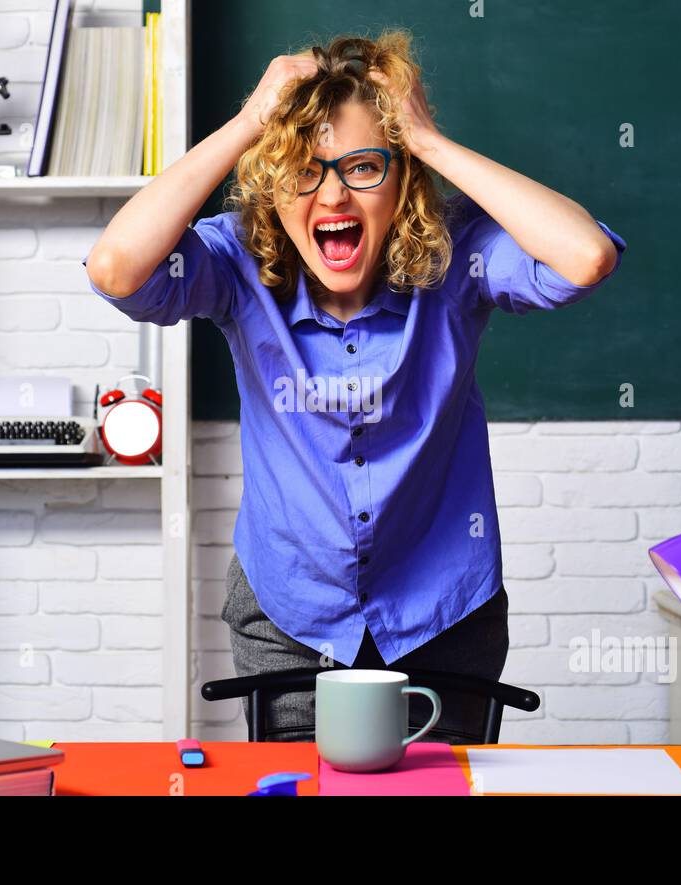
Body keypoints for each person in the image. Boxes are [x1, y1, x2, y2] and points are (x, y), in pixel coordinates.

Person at [84, 31, 625, 742]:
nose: (333, 191)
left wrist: (428, 141)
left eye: (364, 166)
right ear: (271, 190)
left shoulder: (456, 256)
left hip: (444, 618)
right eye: (303, 170)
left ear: (400, 183)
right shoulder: (236, 263)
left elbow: (585, 257)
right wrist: (250, 123)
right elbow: (115, 268)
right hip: (291, 619)